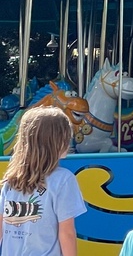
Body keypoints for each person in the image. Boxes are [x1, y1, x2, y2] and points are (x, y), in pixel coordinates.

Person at [0, 106, 86, 256]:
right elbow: (67, 233)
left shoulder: (10, 181)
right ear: (54, 142)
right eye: (65, 137)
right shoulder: (63, 180)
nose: (69, 141)